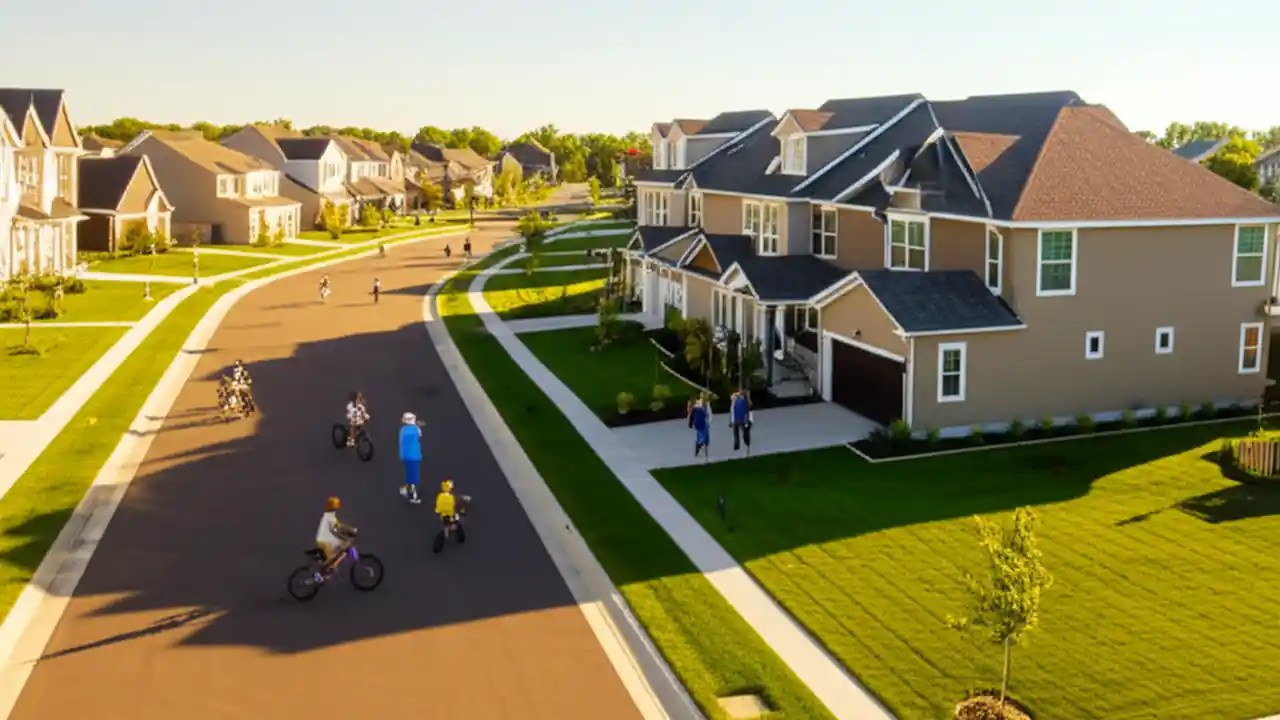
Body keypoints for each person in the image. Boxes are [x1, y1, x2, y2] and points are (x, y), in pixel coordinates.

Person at [315, 496, 358, 575]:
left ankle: (329, 567)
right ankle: (325, 570)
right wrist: (345, 536)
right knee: (338, 550)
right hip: (325, 541)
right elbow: (335, 530)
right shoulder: (330, 517)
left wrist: (349, 530)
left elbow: (339, 526)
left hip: (325, 539)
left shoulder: (329, 515)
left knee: (341, 548)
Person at [398, 411, 423, 504]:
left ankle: (406, 488)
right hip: (414, 456)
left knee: (409, 473)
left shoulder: (403, 430)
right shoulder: (416, 430)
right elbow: (419, 434)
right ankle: (412, 494)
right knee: (414, 475)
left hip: (405, 455)